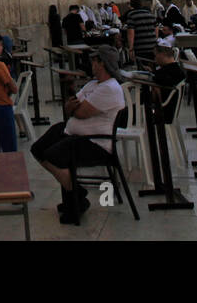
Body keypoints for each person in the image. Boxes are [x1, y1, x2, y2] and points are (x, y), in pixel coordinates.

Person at [30, 46, 126, 224]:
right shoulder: (93, 84)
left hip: (95, 143)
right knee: (38, 149)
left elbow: (80, 112)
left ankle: (75, 199)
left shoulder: (110, 88)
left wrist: (74, 108)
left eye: (95, 61)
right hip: (75, 134)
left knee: (54, 156)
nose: (91, 64)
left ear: (102, 64)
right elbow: (69, 107)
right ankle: (76, 191)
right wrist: (73, 108)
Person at [124, 0, 158, 65]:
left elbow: (131, 32)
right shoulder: (149, 13)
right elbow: (156, 28)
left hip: (141, 48)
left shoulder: (131, 15)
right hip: (152, 46)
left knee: (143, 69)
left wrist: (131, 48)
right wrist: (155, 40)